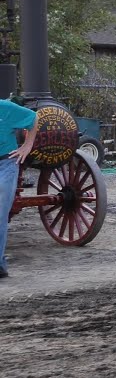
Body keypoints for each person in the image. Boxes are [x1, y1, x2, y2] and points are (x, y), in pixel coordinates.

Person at [0, 99, 37, 278]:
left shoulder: (5, 108)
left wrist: (27, 146)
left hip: (5, 163)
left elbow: (33, 117)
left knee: (0, 212)